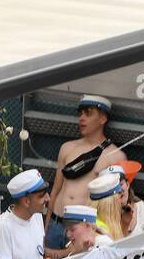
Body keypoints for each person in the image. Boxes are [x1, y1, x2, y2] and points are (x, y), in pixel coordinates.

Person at [47, 95, 127, 245]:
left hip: (83, 229)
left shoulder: (115, 155)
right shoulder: (67, 148)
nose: (82, 118)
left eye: (88, 113)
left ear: (103, 119)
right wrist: (45, 227)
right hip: (57, 222)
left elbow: (117, 202)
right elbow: (55, 191)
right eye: (80, 113)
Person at [0, 169, 57, 259]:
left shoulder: (36, 215)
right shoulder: (2, 226)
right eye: (42, 195)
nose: (48, 198)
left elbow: (38, 255)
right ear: (26, 201)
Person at [87, 172, 124, 246]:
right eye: (119, 197)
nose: (121, 202)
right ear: (111, 204)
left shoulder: (92, 222)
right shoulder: (98, 232)